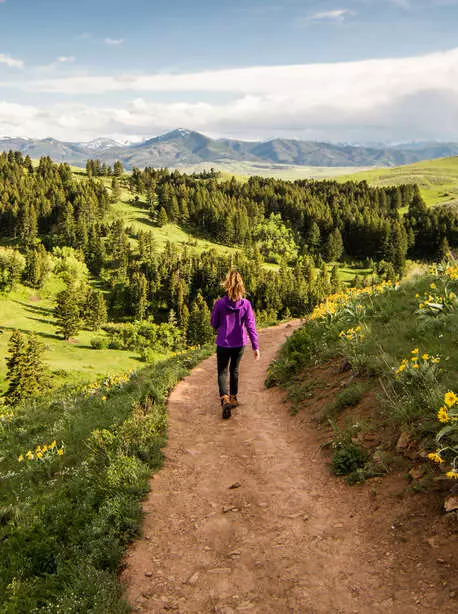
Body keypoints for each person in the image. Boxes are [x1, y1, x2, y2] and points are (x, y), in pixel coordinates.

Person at [210, 270, 260, 419]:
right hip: (239, 343)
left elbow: (214, 323)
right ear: (241, 286)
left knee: (222, 371)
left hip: (223, 343)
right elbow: (251, 326)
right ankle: (233, 398)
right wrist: (255, 346)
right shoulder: (246, 305)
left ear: (227, 285)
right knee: (235, 370)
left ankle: (224, 398)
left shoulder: (219, 304)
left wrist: (221, 323)